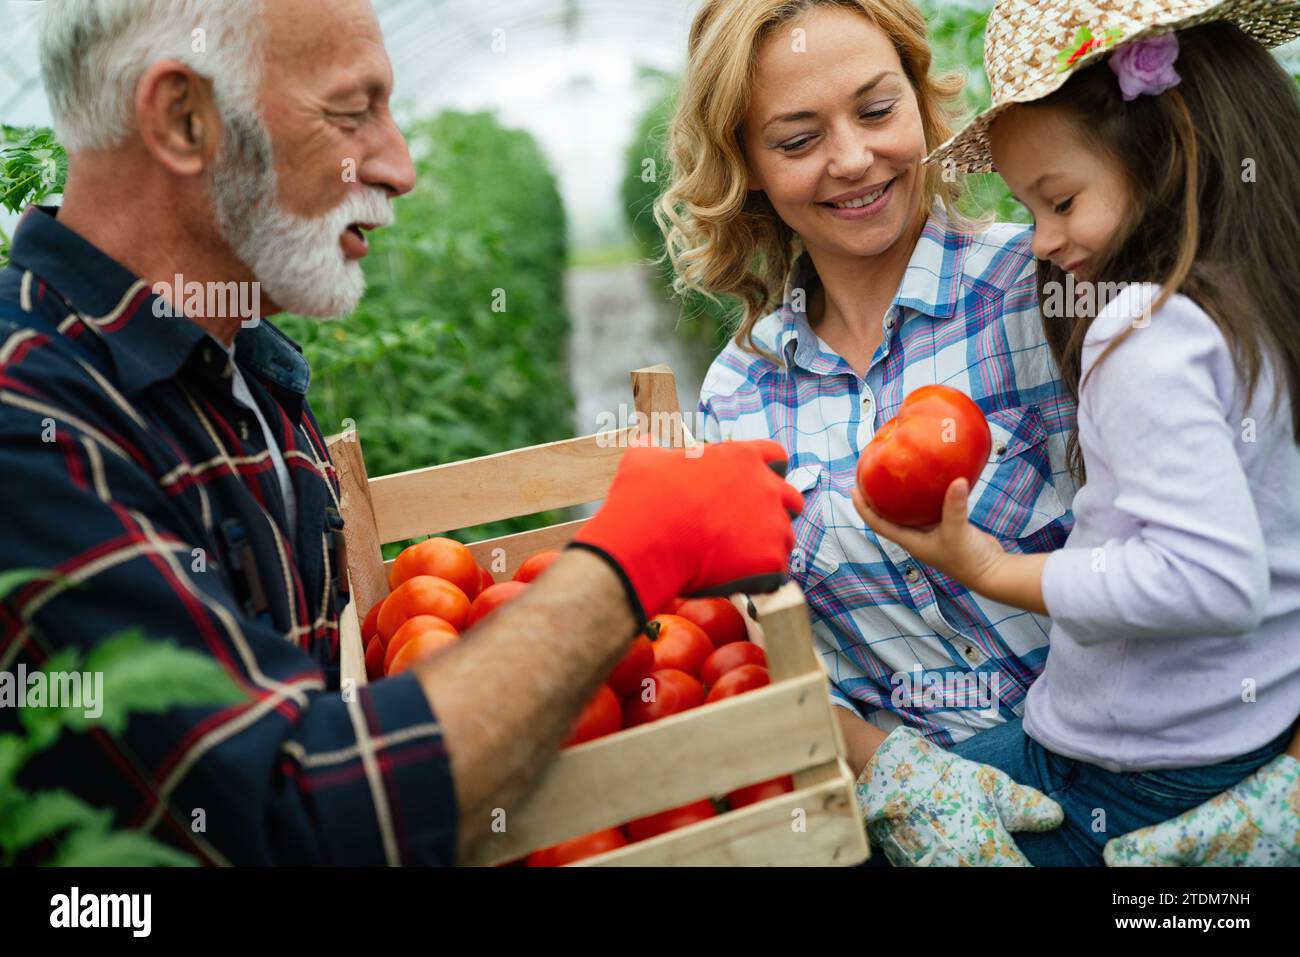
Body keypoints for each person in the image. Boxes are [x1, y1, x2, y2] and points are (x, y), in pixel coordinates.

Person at [0, 0, 802, 865]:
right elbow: (286, 823)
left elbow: (313, 704)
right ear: (184, 120)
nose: (400, 164)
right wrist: (632, 556)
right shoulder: (30, 427)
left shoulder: (236, 366)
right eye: (352, 113)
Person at [857, 0, 1300, 866]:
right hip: (1245, 738)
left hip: (1128, 768)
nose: (1044, 239)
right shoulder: (1257, 296)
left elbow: (1210, 581)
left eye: (1059, 201)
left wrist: (987, 566)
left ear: (1168, 145)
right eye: (1029, 208)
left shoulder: (1144, 326)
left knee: (869, 840)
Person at [657, 0, 1079, 863]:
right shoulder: (739, 398)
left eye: (877, 111)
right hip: (917, 821)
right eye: (798, 139)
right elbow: (770, 649)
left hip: (1123, 763)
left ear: (923, 103)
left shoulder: (1042, 292)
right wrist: (890, 767)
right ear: (749, 170)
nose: (853, 159)